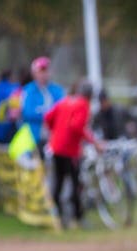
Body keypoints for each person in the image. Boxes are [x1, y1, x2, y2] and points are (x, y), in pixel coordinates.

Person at [44, 80, 104, 228]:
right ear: (90, 96)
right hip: (69, 150)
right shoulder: (83, 105)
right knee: (76, 183)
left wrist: (56, 132)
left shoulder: (65, 101)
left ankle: (57, 216)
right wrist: (93, 142)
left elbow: (48, 117)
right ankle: (78, 217)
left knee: (58, 182)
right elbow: (76, 126)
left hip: (56, 147)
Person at [21, 56, 65, 149]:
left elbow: (62, 111)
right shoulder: (28, 90)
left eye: (46, 71)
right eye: (40, 71)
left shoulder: (57, 90)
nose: (43, 74)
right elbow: (28, 112)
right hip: (33, 137)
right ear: (34, 73)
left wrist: (43, 113)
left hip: (54, 138)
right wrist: (48, 115)